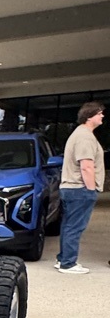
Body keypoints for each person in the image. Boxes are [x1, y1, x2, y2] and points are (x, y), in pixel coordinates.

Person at [54, 101, 105, 273]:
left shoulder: (79, 134)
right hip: (79, 188)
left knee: (68, 225)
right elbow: (86, 166)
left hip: (71, 188)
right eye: (99, 113)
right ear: (89, 116)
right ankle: (68, 263)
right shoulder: (85, 137)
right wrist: (90, 189)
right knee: (75, 226)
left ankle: (62, 259)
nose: (102, 116)